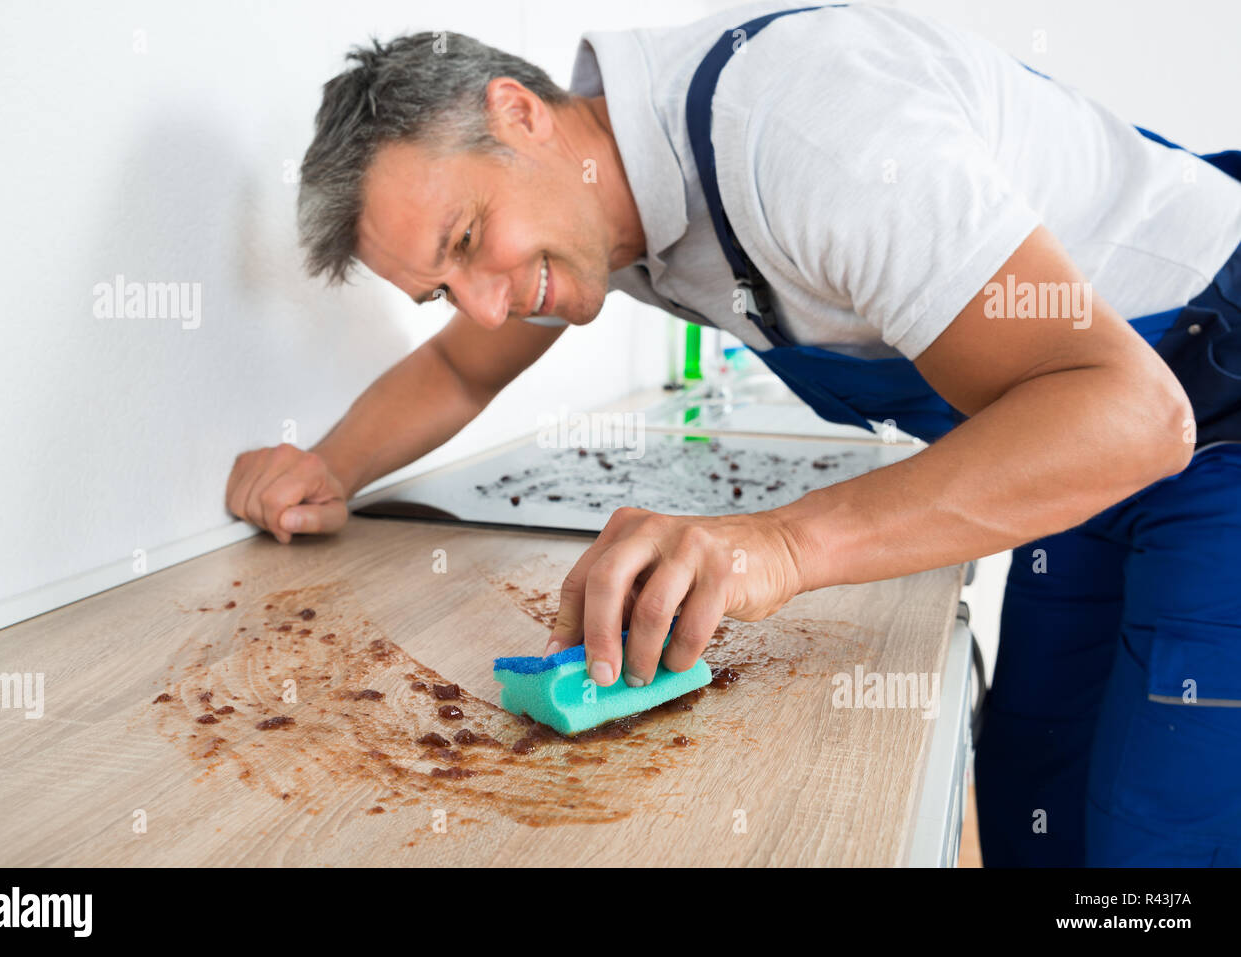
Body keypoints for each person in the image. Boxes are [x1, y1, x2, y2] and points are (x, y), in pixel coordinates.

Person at [225, 2, 1241, 865]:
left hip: (1202, 408)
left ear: (519, 113)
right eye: (441, 288)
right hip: (1072, 445)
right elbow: (457, 364)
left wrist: (782, 544)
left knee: (1154, 842)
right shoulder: (592, 221)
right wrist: (327, 469)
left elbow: (1134, 417)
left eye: (466, 242)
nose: (485, 307)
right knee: (1041, 797)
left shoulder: (811, 132)